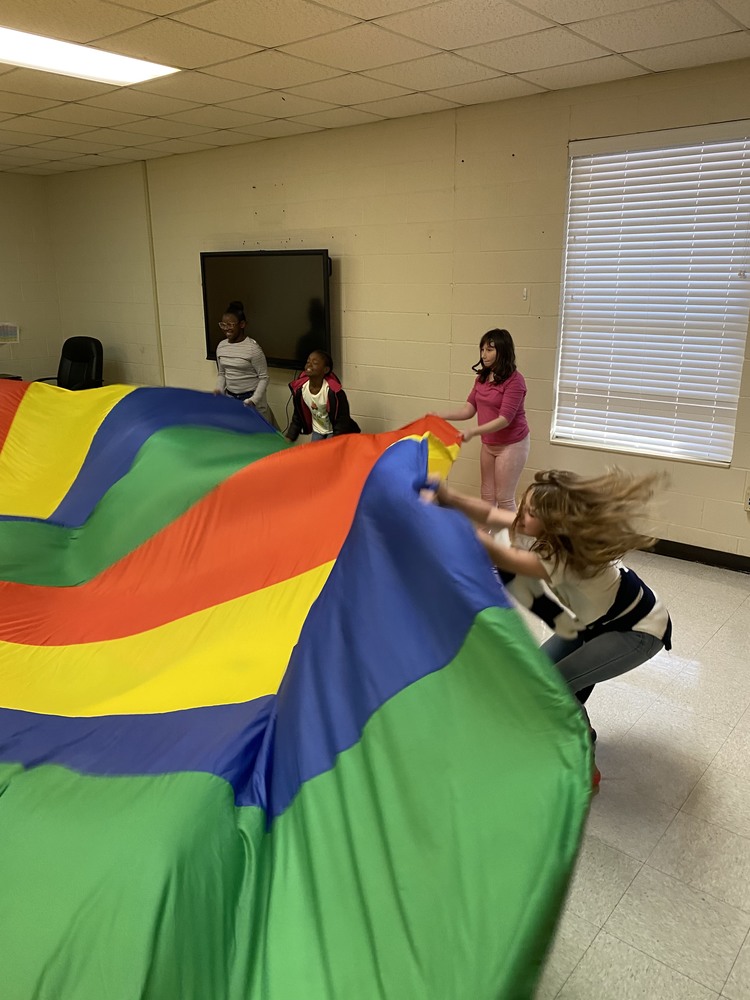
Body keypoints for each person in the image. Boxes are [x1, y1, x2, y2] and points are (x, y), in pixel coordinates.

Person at [429, 469, 672, 788]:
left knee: (555, 687)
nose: (522, 515)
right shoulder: (545, 535)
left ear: (553, 523)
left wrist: (442, 518)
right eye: (526, 506)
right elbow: (492, 514)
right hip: (598, 621)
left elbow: (500, 554)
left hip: (637, 630)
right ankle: (559, 730)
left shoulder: (563, 557)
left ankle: (584, 760)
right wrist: (449, 498)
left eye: (530, 512)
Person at [434, 329, 530, 512]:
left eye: (489, 350)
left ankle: (512, 538)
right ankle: (486, 535)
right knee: (487, 495)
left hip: (512, 444)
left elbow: (505, 419)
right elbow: (468, 410)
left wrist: (472, 432)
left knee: (504, 498)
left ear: (502, 351)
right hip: (489, 443)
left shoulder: (515, 381)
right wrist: (440, 415)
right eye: (482, 349)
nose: (483, 355)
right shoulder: (482, 378)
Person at [213, 300, 276, 425]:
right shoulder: (221, 346)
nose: (226, 329)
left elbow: (264, 378)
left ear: (242, 324)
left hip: (252, 400)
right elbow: (222, 373)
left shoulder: (253, 349)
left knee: (258, 436)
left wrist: (254, 400)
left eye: (230, 325)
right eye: (223, 325)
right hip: (231, 399)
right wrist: (219, 390)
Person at [286, 350, 360, 442]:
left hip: (334, 431)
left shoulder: (334, 392)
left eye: (315, 363)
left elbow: (342, 421)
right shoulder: (300, 390)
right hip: (318, 431)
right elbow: (298, 416)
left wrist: (336, 441)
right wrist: (290, 437)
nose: (309, 365)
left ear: (326, 370)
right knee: (314, 454)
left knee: (329, 454)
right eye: (308, 362)